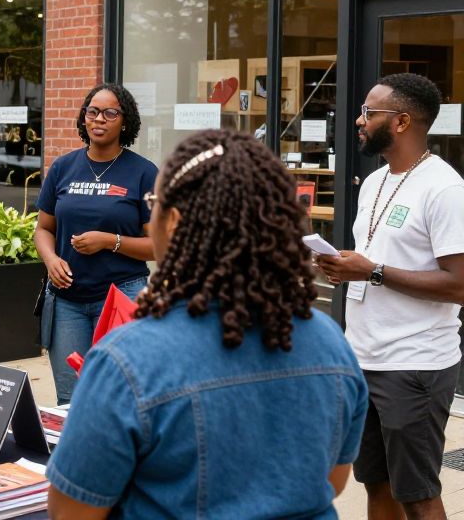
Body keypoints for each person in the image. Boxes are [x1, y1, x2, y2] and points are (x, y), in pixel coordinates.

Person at [46, 129, 368, 519]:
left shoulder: (127, 359)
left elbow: (71, 512)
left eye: (154, 204)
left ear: (174, 222)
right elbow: (333, 480)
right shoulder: (330, 341)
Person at [318, 73, 464, 520]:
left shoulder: (445, 189)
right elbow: (378, 259)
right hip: (365, 357)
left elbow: (458, 284)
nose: (358, 120)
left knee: (417, 494)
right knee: (375, 483)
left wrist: (373, 271)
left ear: (401, 121)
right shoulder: (376, 180)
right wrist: (344, 268)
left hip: (414, 364)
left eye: (368, 112)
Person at [34, 83, 157, 404]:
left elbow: (159, 246)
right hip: (67, 302)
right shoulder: (62, 167)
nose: (99, 119)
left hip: (121, 297)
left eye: (110, 113)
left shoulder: (143, 173)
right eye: (93, 111)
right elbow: (43, 229)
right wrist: (51, 260)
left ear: (125, 121)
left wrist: (110, 241)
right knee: (70, 399)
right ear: (84, 117)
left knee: (122, 395)